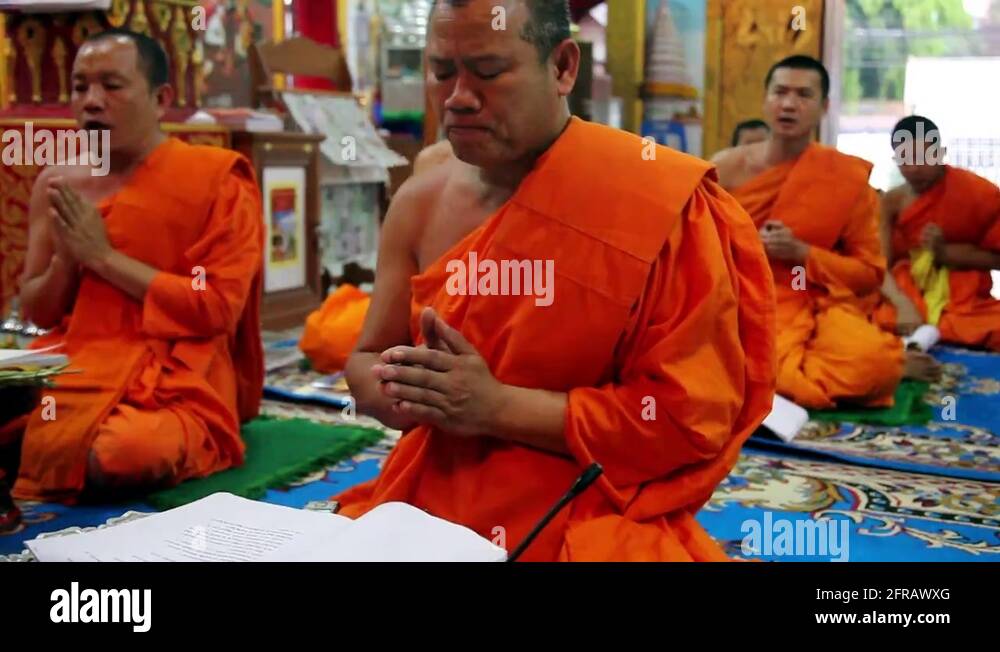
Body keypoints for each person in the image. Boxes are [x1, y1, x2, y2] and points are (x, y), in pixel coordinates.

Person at [335, 0, 776, 561]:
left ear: (563, 66)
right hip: (431, 489)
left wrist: (496, 407)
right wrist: (399, 393)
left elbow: (686, 418)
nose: (458, 98)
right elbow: (366, 355)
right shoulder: (419, 202)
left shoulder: (655, 203)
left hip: (586, 499)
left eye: (489, 73)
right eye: (442, 71)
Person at [6, 28, 264, 502]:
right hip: (75, 364)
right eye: (81, 87)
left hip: (173, 374)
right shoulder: (58, 183)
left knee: (120, 452)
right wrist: (69, 256)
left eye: (112, 85)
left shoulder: (215, 180)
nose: (92, 101)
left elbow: (216, 309)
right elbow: (37, 311)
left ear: (161, 98)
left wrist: (103, 258)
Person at [713, 55, 937, 411]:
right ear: (765, 99)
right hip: (738, 298)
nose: (789, 104)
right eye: (780, 92)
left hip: (812, 300)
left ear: (824, 107)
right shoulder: (725, 168)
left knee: (873, 363)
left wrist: (803, 253)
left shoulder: (844, 179)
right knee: (702, 356)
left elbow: (868, 273)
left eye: (803, 95)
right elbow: (691, 246)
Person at [875, 115, 1000, 350]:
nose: (913, 168)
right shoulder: (891, 202)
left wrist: (947, 255)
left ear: (940, 153)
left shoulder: (977, 193)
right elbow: (878, 266)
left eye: (923, 157)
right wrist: (902, 304)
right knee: (862, 318)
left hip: (966, 301)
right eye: (904, 159)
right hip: (910, 294)